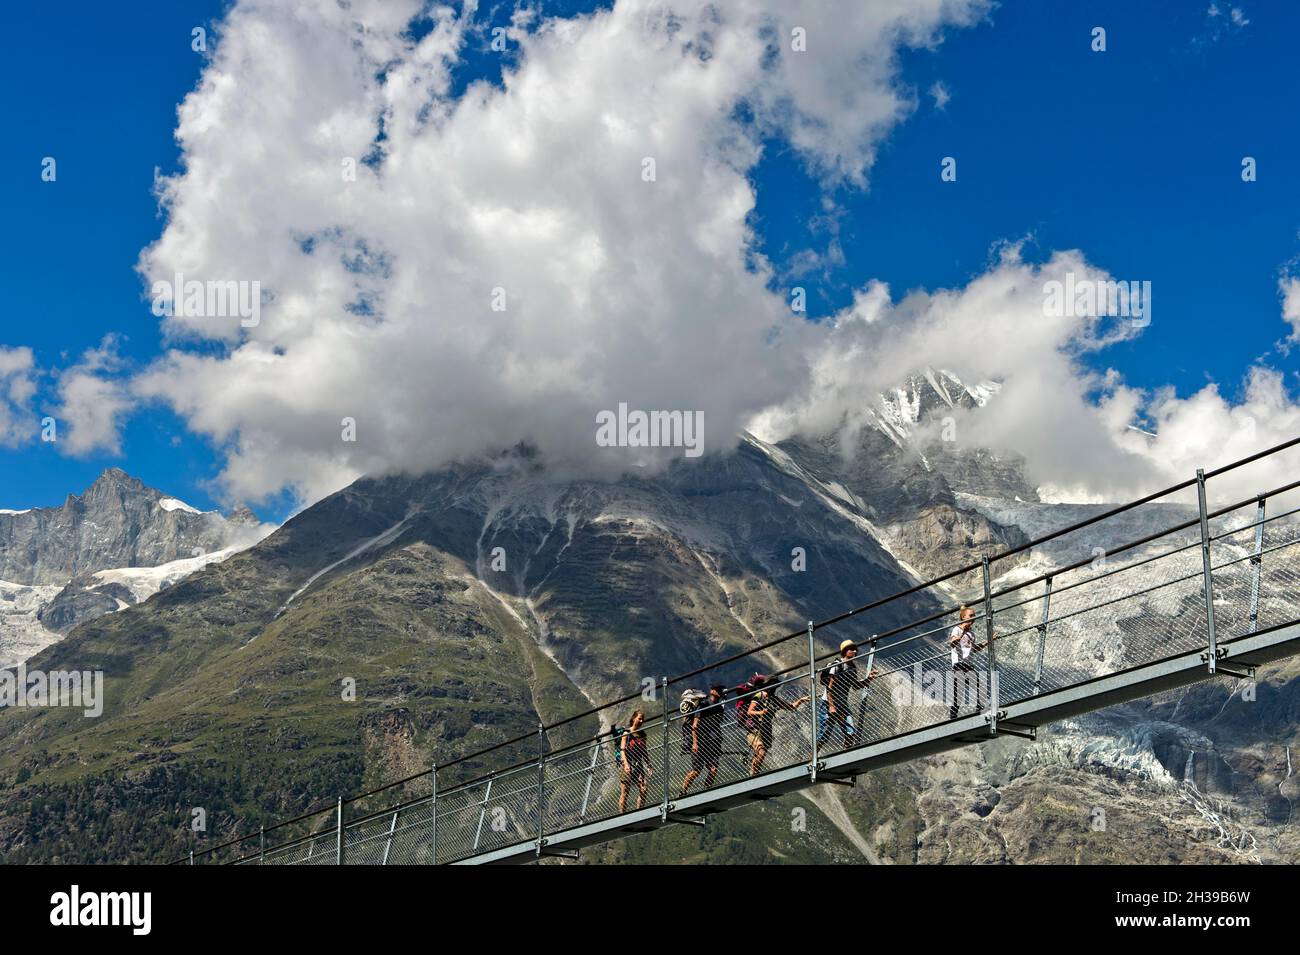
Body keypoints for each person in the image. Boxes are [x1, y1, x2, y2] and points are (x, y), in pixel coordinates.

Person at [745, 674, 808, 776]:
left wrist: (800, 700)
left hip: (766, 728)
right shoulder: (760, 695)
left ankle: (753, 773)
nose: (774, 688)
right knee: (761, 752)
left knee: (761, 753)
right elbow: (750, 712)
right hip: (756, 728)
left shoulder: (774, 699)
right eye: (773, 685)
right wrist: (761, 712)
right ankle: (753, 773)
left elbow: (790, 707)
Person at [818, 639, 874, 748]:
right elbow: (830, 688)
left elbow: (855, 686)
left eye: (855, 650)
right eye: (851, 649)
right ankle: (813, 758)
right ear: (845, 651)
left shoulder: (852, 668)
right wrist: (831, 706)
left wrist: (868, 679)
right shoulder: (837, 666)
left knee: (850, 732)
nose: (854, 651)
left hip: (842, 704)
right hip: (828, 703)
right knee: (824, 735)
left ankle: (846, 755)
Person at [680, 685, 726, 797]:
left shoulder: (719, 707)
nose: (721, 693)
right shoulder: (703, 704)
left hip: (711, 742)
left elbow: (717, 724)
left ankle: (706, 792)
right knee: (696, 771)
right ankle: (683, 791)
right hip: (700, 742)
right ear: (713, 691)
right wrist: (695, 743)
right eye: (719, 690)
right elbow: (695, 726)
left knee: (713, 769)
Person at [948, 605, 983, 719]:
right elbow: (952, 643)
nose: (973, 617)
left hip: (968, 664)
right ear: (963, 617)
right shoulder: (957, 629)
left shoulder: (972, 633)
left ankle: (979, 708)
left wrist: (989, 641)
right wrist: (962, 633)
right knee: (959, 692)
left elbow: (974, 648)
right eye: (971, 615)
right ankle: (953, 716)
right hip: (958, 664)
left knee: (976, 685)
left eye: (974, 615)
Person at [618, 709, 651, 812]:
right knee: (625, 791)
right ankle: (622, 814)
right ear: (634, 719)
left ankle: (639, 811)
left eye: (643, 719)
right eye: (639, 719)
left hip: (638, 765)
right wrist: (626, 764)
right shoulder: (626, 733)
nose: (641, 721)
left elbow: (644, 750)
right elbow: (622, 750)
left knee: (643, 788)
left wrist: (649, 764)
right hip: (627, 765)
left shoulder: (642, 734)